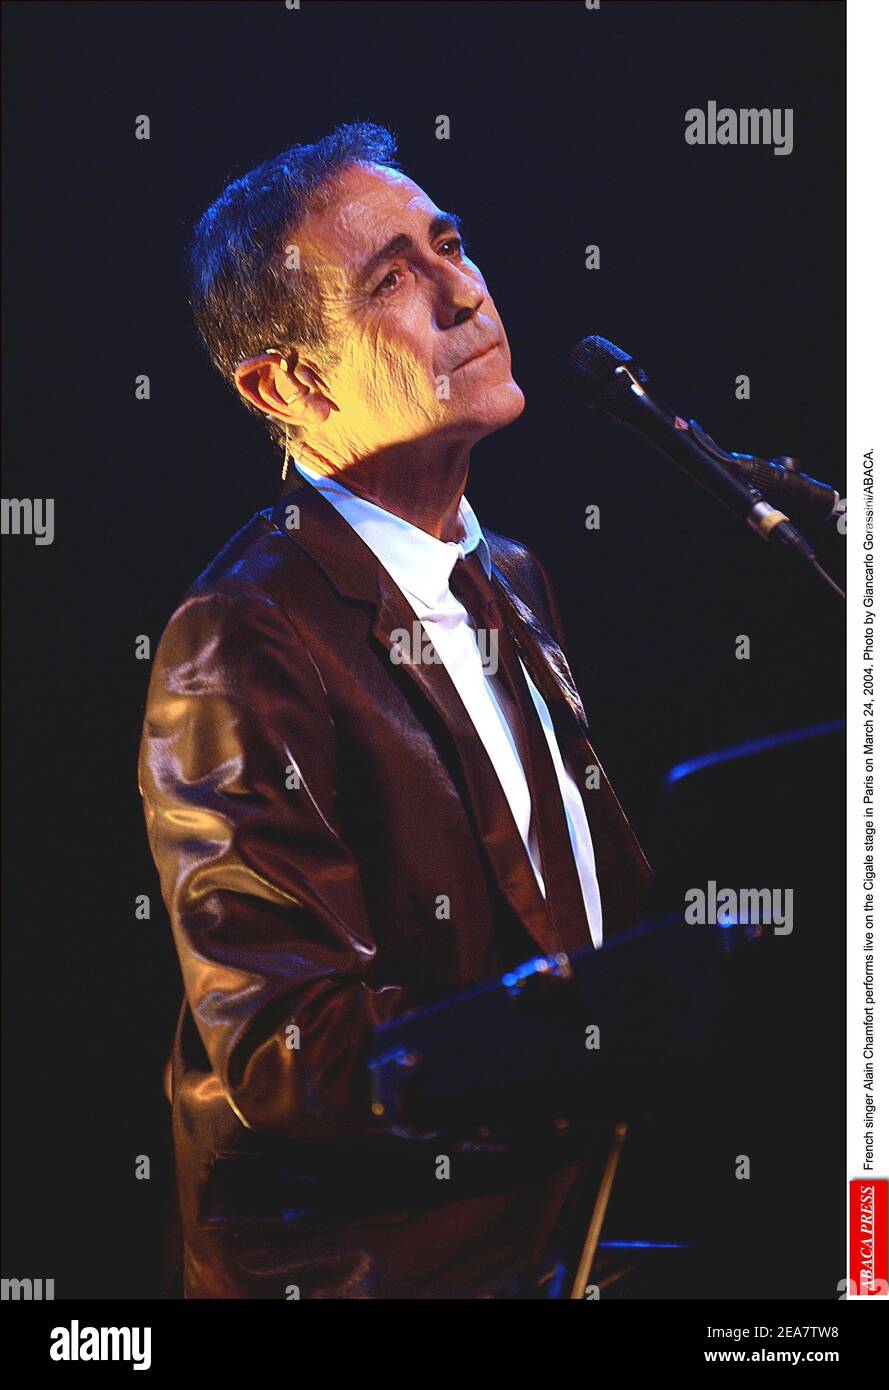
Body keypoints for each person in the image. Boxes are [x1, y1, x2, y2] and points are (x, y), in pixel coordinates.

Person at [138, 122, 650, 1299]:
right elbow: (282, 1045)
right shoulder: (242, 636)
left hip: (558, 1245)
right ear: (289, 383)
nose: (464, 293)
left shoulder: (512, 576)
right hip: (369, 1270)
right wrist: (580, 1030)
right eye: (392, 279)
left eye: (451, 245)